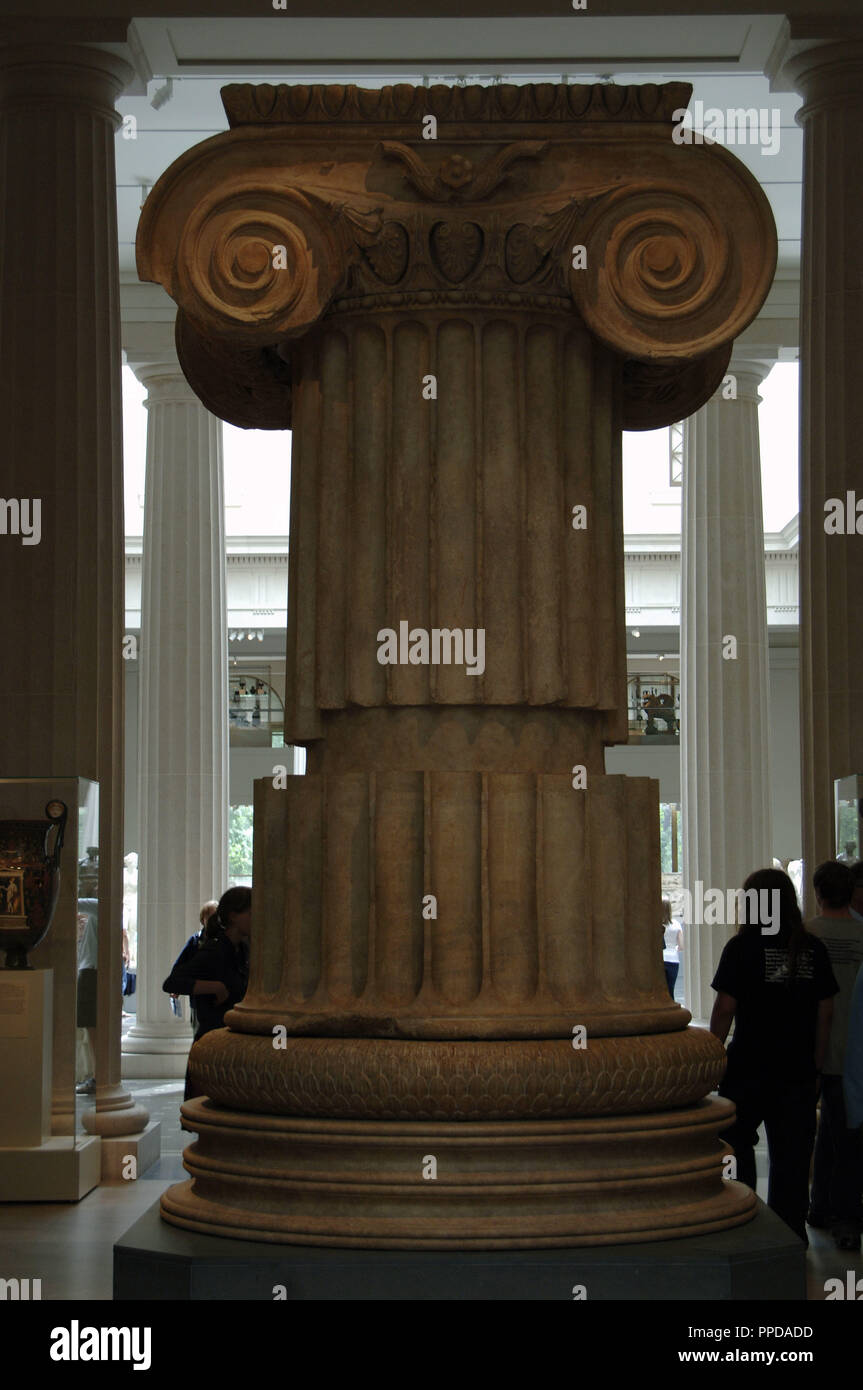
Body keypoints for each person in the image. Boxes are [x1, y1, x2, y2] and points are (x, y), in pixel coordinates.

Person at [710, 868, 837, 1243]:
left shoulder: (742, 947)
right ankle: (788, 1236)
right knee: (792, 1157)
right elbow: (825, 1012)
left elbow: (724, 1009)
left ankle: (743, 1220)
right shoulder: (812, 947)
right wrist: (817, 1064)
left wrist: (712, 1056)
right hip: (796, 1069)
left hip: (748, 1066)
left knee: (735, 1144)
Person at [806, 859, 863, 1249]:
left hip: (814, 1051)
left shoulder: (806, 936)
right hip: (852, 1053)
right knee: (842, 1135)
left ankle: (825, 1208)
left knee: (830, 1133)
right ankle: (836, 1210)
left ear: (818, 892)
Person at [163, 887, 251, 1102]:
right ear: (233, 916)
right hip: (212, 1044)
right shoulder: (216, 950)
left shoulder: (241, 949)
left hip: (227, 1043)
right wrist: (214, 987)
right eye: (251, 913)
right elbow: (172, 982)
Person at [167, 900, 219, 1029]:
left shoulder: (224, 941)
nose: (213, 922)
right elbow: (181, 964)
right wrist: (177, 988)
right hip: (199, 999)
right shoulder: (195, 941)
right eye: (209, 917)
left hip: (218, 999)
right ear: (203, 920)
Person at [661, 898, 683, 999]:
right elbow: (681, 946)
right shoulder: (676, 924)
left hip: (660, 959)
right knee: (671, 990)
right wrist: (675, 948)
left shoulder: (656, 925)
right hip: (673, 959)